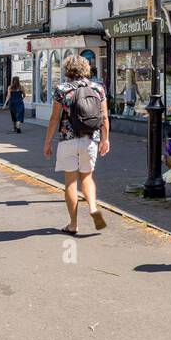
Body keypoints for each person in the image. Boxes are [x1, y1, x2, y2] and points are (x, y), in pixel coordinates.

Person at [43, 54, 110, 235]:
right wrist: (105, 139)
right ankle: (94, 209)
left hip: (68, 140)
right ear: (86, 68)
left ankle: (73, 224)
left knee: (70, 183)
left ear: (67, 70)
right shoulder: (98, 88)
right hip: (90, 139)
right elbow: (104, 117)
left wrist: (48, 142)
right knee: (87, 177)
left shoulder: (62, 89)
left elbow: (54, 118)